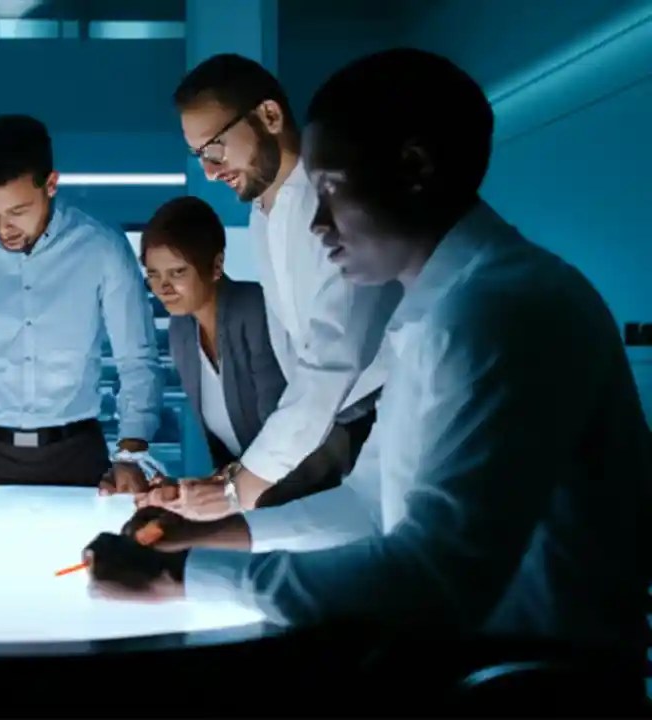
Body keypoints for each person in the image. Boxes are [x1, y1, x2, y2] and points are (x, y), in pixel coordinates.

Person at [84, 48, 651, 665]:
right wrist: (208, 539)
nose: (320, 221)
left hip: (534, 680)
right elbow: (368, 503)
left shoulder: (502, 310)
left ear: (413, 167)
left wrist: (183, 579)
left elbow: (435, 577)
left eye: (329, 189)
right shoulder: (433, 310)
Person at [154, 53, 401, 513]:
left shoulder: (335, 200)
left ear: (269, 115)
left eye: (215, 148)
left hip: (382, 417)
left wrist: (240, 487)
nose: (208, 170)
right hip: (331, 427)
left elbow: (332, 362)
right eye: (199, 156)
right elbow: (297, 359)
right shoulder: (261, 215)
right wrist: (237, 476)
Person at [0, 114, 164, 494]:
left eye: (17, 211)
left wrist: (131, 452)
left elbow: (137, 360)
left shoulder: (102, 247)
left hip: (79, 452)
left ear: (52, 184)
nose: (2, 228)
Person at [138, 196, 348, 518]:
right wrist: (197, 489)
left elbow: (278, 426)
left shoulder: (254, 309)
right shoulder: (181, 330)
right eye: (154, 275)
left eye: (177, 272)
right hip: (247, 497)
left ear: (216, 265)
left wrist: (219, 488)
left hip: (301, 488)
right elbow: (221, 450)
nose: (163, 288)